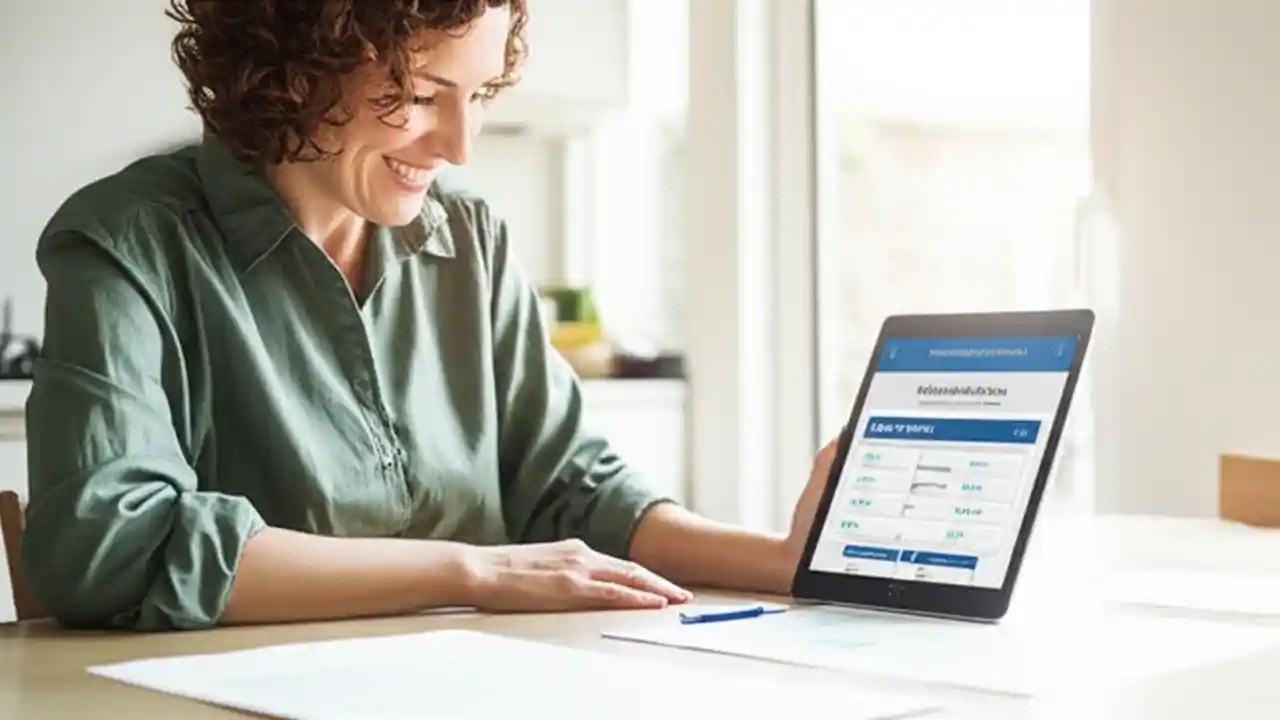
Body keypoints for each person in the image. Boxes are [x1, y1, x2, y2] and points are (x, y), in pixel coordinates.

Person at [22, 0, 838, 631]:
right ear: (292, 68)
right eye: (417, 95)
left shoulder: (468, 234)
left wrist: (784, 563)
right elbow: (110, 546)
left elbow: (569, 487)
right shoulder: (128, 241)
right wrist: (469, 572)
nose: (459, 144)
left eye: (480, 94)